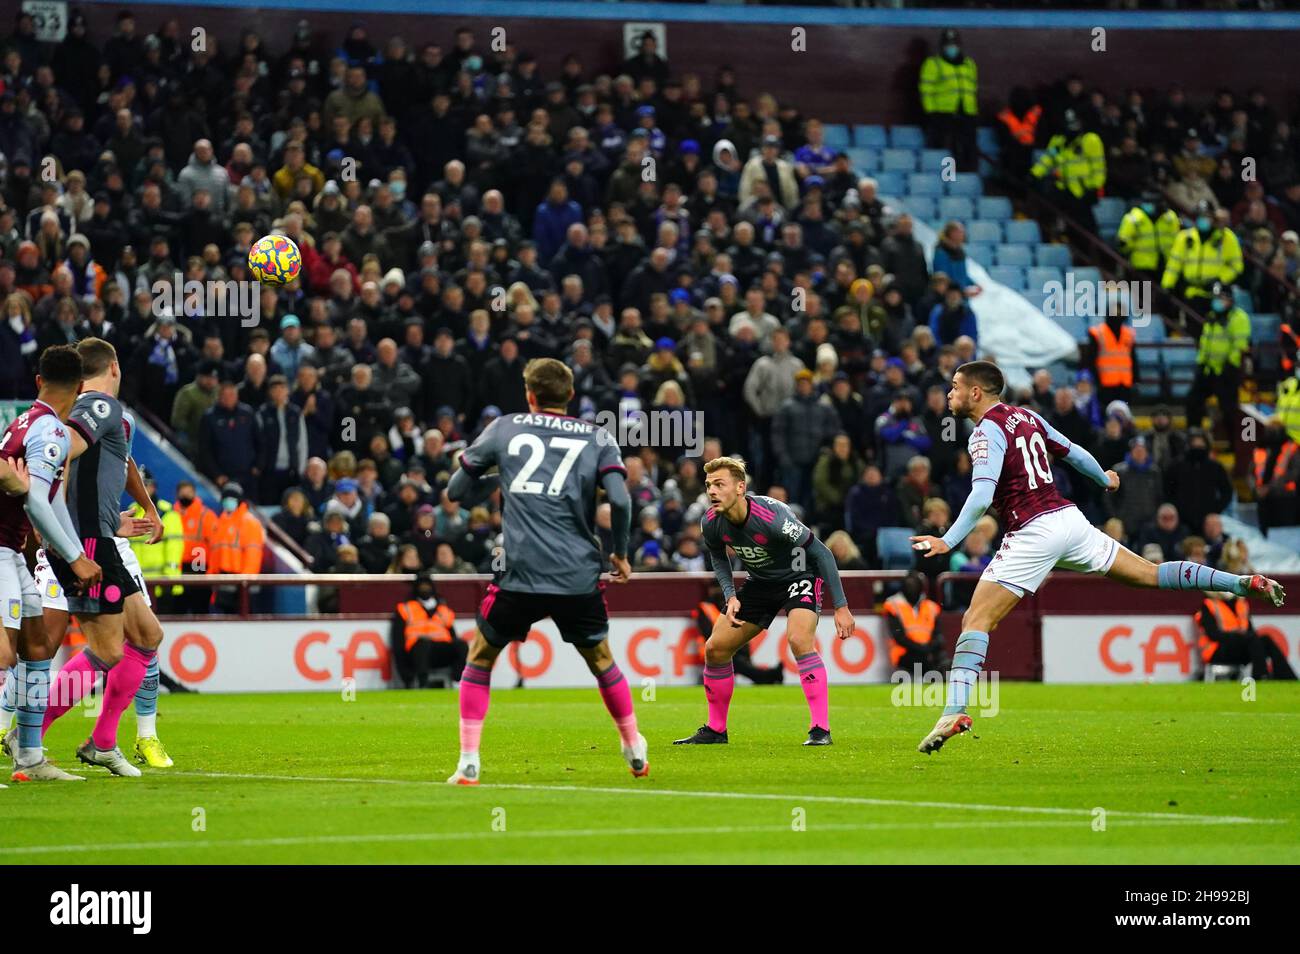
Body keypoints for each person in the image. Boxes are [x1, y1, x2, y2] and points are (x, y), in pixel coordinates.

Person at [909, 360, 1285, 754]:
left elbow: (982, 496)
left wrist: (947, 541)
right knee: (1151, 574)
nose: (949, 393)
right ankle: (1238, 583)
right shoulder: (1028, 416)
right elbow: (1073, 452)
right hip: (1070, 521)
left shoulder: (985, 432)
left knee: (976, 619)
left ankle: (954, 710)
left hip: (1033, 530)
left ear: (975, 392)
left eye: (954, 386)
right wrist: (1103, 478)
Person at [443, 357, 641, 784]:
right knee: (602, 660)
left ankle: (469, 761)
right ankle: (632, 746)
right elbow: (621, 502)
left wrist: (500, 474)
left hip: (521, 572)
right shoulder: (598, 436)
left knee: (480, 658)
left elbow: (456, 491)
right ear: (570, 396)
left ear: (529, 395)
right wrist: (621, 554)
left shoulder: (504, 428)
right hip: (578, 573)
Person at [36, 338, 169, 777]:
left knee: (146, 636)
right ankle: (29, 732)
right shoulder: (98, 405)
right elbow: (64, 448)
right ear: (114, 365)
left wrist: (120, 518)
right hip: (86, 544)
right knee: (108, 650)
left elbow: (105, 467)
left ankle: (102, 742)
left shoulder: (92, 411)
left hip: (97, 538)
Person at [674, 456, 855, 747]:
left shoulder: (772, 518)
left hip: (800, 575)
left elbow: (822, 553)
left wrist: (842, 606)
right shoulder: (711, 522)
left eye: (719, 484)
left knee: (798, 640)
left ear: (740, 488)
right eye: (709, 485)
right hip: (760, 582)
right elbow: (718, 556)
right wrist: (730, 595)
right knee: (715, 648)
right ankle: (716, 730)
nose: (712, 491)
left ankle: (820, 729)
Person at [0, 345, 101, 781]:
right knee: (5, 652)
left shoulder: (21, 422)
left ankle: (29, 757)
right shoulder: (53, 432)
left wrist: (67, 553)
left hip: (14, 549)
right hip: (1, 550)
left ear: (39, 381)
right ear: (80, 389)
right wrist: (78, 561)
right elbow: (38, 501)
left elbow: (51, 502)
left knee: (38, 648)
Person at [1185, 282, 1250, 434]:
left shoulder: (1239, 318)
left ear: (1230, 300)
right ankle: (1193, 435)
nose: (1218, 301)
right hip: (1209, 370)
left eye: (1221, 298)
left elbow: (1240, 346)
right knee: (1192, 400)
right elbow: (1204, 343)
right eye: (1216, 298)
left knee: (1228, 409)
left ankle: (1233, 443)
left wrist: (1230, 366)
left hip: (1227, 371)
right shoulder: (1211, 317)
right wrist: (1200, 364)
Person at [1195, 585, 1296, 681]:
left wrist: (1242, 637)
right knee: (1251, 639)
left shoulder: (1241, 604)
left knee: (1266, 640)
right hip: (1217, 651)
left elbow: (1250, 631)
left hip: (1241, 646)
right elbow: (1213, 634)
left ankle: (1288, 677)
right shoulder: (1209, 604)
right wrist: (1238, 636)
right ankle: (1261, 676)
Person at [1031, 108, 1105, 234]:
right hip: (1064, 189)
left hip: (1083, 191)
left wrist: (1094, 187)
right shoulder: (1058, 140)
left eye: (1075, 123)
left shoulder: (1090, 140)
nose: (1072, 127)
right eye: (1069, 123)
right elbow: (1048, 159)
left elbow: (1098, 167)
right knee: (1055, 215)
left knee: (1086, 226)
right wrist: (1034, 174)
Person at [389, 571, 466, 689]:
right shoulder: (406, 609)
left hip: (440, 651)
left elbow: (452, 636)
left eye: (427, 585)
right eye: (421, 585)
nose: (425, 588)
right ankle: (422, 683)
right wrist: (405, 674)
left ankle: (457, 679)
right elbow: (398, 642)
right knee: (423, 645)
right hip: (416, 652)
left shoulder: (443, 610)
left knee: (461, 645)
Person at [919, 29, 978, 172]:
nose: (952, 48)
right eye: (948, 45)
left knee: (968, 146)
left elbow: (973, 88)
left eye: (954, 44)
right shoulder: (933, 64)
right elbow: (926, 89)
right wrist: (931, 112)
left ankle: (967, 177)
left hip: (967, 112)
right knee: (947, 150)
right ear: (942, 46)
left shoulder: (969, 64)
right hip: (942, 114)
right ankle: (948, 177)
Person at [883, 571, 947, 677]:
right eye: (908, 584)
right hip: (905, 653)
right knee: (924, 664)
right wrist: (922, 649)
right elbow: (899, 637)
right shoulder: (893, 605)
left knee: (946, 664)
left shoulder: (931, 606)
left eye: (914, 584)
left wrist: (929, 648)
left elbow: (938, 635)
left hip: (929, 651)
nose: (911, 587)